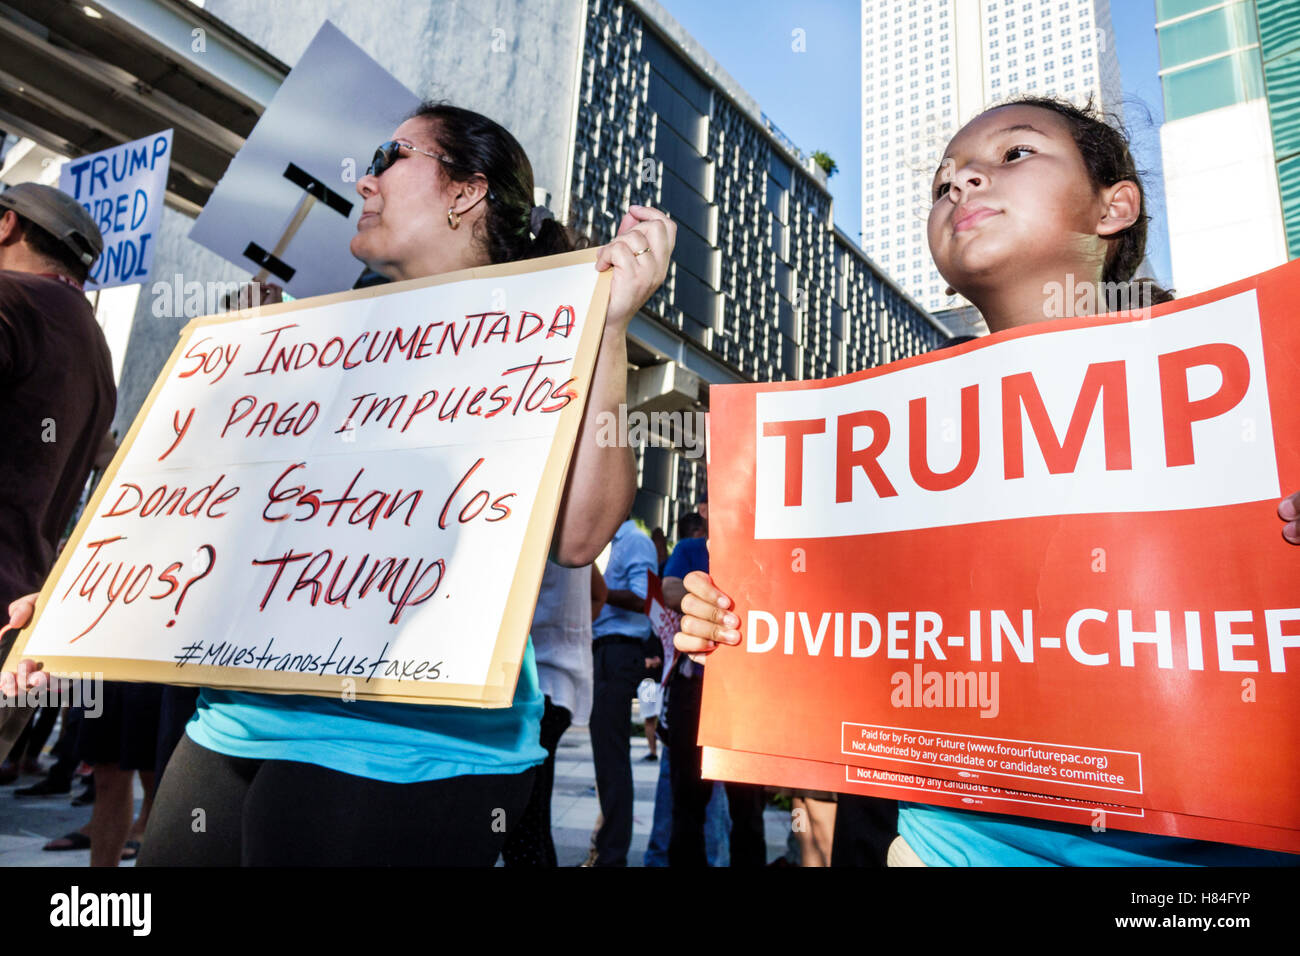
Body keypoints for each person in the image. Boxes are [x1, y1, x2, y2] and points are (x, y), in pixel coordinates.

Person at [5, 102, 676, 866]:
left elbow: (582, 536)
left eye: (391, 156)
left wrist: (610, 330)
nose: (364, 180)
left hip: (410, 745)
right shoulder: (299, 332)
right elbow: (205, 511)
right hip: (233, 721)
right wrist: (84, 606)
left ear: (466, 192)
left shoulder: (549, 328)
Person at [673, 95, 1300, 866]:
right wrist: (741, 622)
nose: (962, 185)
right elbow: (850, 649)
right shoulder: (874, 445)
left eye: (1013, 156)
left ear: (1115, 208)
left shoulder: (1264, 390)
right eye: (943, 185)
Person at [662, 504, 767, 867]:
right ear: (704, 511)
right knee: (688, 801)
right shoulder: (691, 549)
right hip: (695, 691)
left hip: (749, 697)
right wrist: (710, 604)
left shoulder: (762, 546)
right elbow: (671, 591)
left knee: (748, 807)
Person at [501, 559, 594, 867]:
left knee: (521, 823)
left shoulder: (539, 519)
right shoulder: (580, 535)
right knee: (533, 818)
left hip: (534, 682)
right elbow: (601, 593)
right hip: (558, 679)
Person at [588, 512, 658, 866]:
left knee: (612, 758)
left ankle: (612, 854)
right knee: (606, 757)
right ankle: (607, 847)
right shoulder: (613, 544)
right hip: (606, 650)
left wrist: (595, 589)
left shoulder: (634, 541)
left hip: (620, 650)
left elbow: (644, 598)